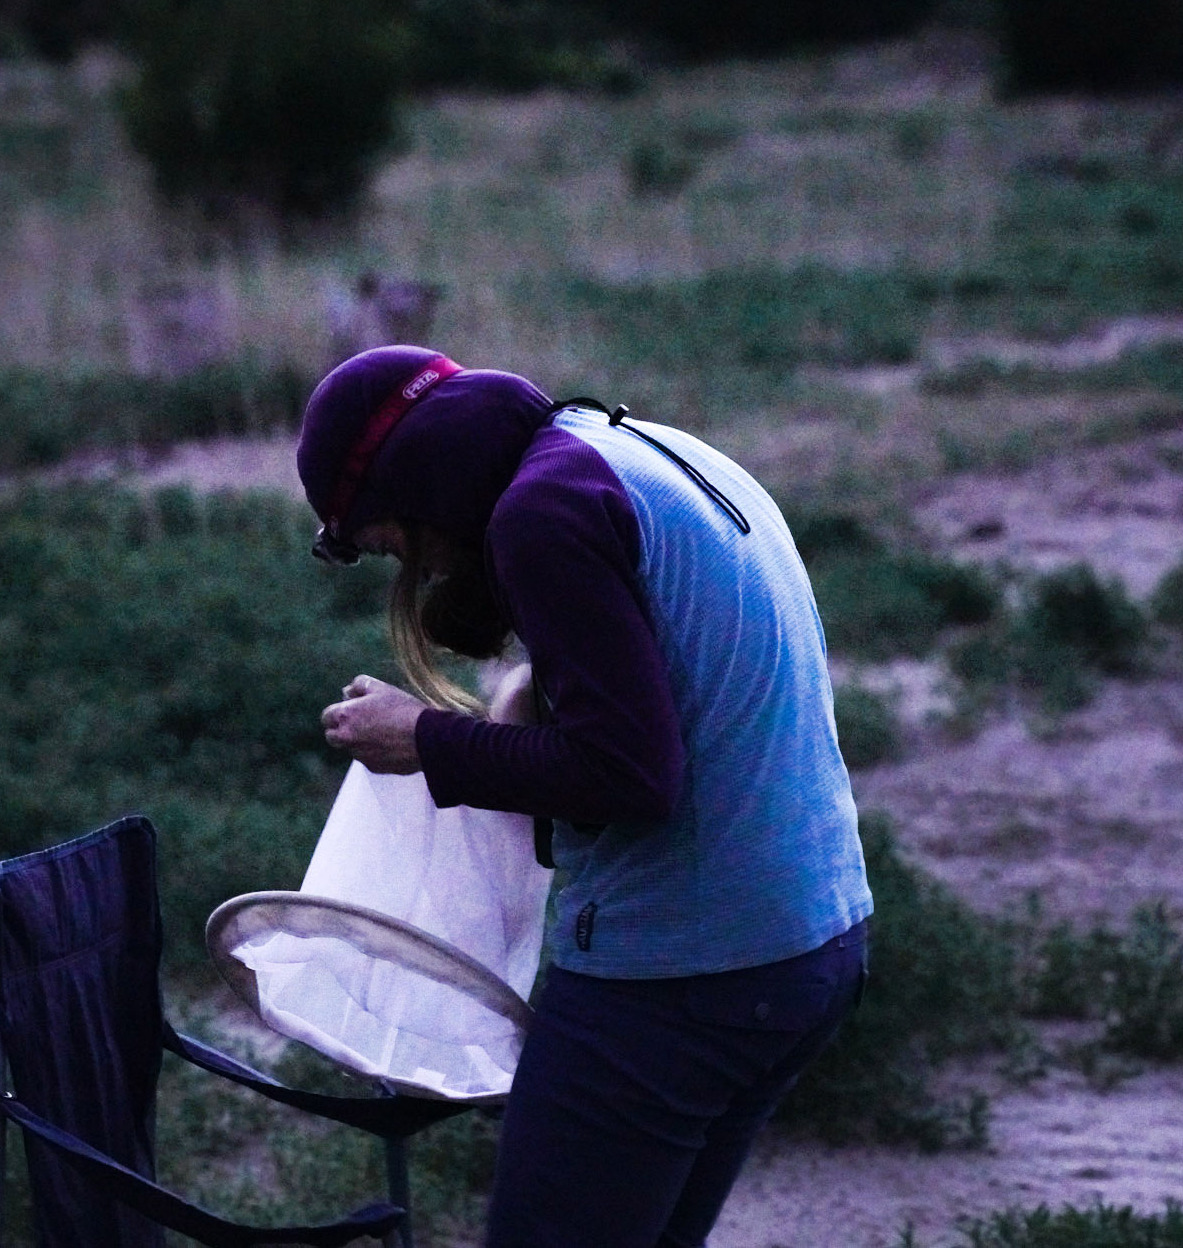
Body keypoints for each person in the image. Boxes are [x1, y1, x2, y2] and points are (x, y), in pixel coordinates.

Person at [298, 345, 872, 1248]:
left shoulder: (539, 515)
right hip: (811, 942)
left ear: (422, 490)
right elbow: (672, 669)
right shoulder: (628, 447)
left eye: (390, 545)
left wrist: (426, 737)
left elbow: (631, 776)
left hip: (680, 979)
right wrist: (536, 690)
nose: (418, 577)